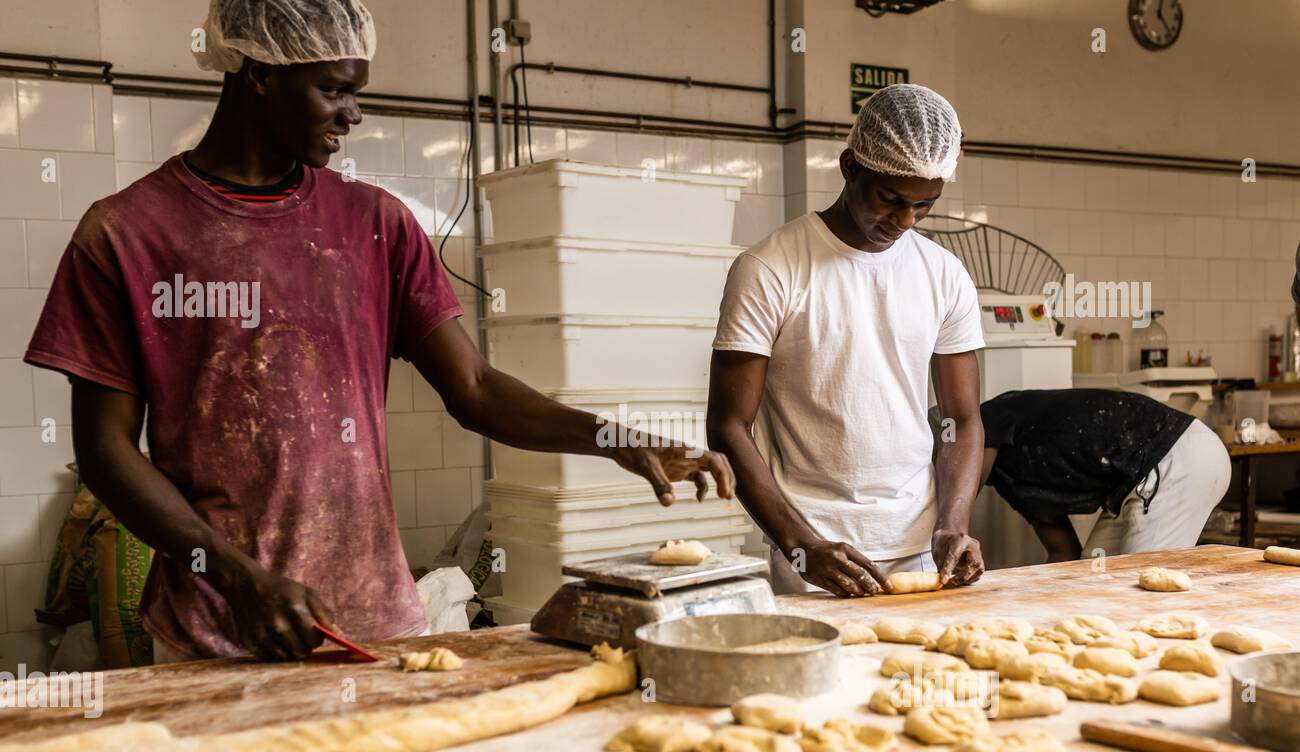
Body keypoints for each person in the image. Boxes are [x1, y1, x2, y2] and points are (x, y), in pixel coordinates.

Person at [23, 0, 733, 663]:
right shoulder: (127, 234)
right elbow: (106, 448)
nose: (353, 115)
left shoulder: (376, 224)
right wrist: (238, 579)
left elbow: (476, 387)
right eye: (334, 90)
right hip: (218, 628)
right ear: (262, 73)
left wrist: (616, 439)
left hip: (377, 622)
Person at [707, 84, 985, 597]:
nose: (904, 222)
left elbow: (961, 418)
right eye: (891, 200)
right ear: (850, 167)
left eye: (924, 206)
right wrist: (799, 543)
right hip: (815, 555)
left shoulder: (944, 275)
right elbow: (727, 426)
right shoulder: (770, 268)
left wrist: (953, 523)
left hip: (922, 550)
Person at [977, 389, 1231, 562]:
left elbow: (959, 495)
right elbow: (1063, 552)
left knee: (1139, 586)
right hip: (1135, 480)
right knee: (1093, 573)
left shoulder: (991, 416)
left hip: (1178, 455)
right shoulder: (1009, 481)